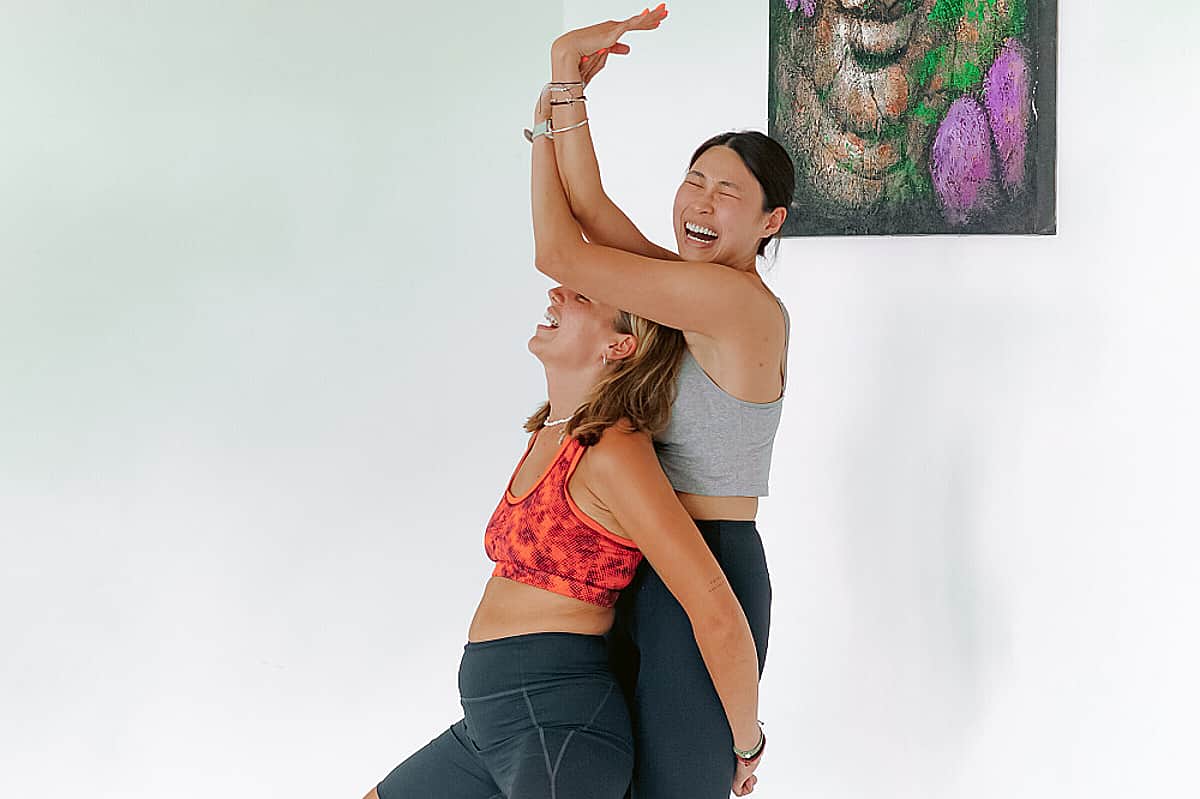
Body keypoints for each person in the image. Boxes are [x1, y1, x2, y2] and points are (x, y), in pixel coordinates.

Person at [528, 6, 795, 797]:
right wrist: (562, 90)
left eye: (728, 195)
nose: (700, 203)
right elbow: (592, 210)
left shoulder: (740, 308)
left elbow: (560, 249)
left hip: (706, 561)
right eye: (694, 181)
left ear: (769, 222)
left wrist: (747, 736)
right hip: (637, 550)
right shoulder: (690, 294)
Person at [364, 283, 765, 799]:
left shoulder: (614, 449)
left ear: (620, 345)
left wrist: (744, 743)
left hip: (559, 724)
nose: (557, 292)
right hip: (492, 723)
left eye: (584, 298)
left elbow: (715, 609)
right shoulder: (551, 434)